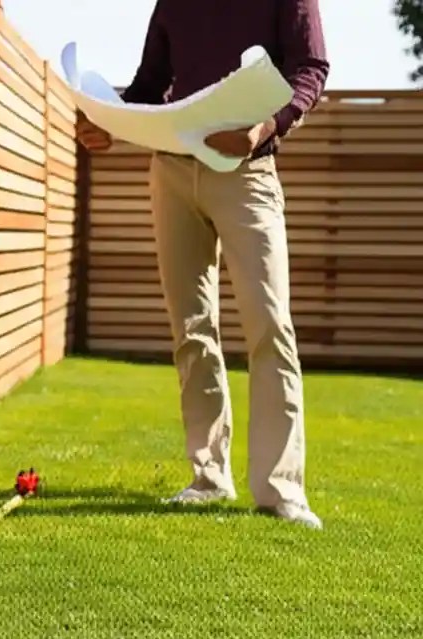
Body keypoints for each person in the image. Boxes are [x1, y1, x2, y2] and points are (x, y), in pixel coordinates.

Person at [76, 0, 330, 529]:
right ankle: (208, 476)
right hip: (171, 172)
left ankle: (281, 489)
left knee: (270, 325)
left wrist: (264, 129)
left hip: (248, 174)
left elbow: (310, 68)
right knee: (191, 328)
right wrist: (109, 122)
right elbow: (150, 87)